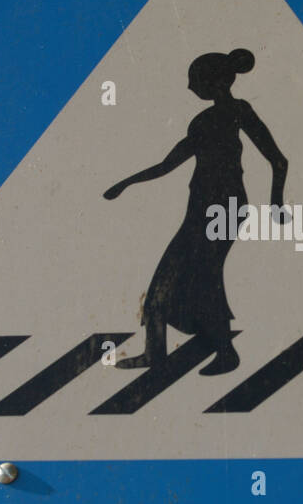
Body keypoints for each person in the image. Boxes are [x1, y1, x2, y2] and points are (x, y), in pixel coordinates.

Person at [103, 48, 287, 375]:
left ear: (211, 82)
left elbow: (278, 159)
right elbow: (166, 165)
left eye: (194, 81)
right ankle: (154, 354)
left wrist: (277, 204)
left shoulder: (239, 111)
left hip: (226, 207)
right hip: (199, 208)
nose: (190, 88)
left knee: (206, 279)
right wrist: (125, 183)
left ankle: (226, 354)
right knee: (164, 281)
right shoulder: (201, 121)